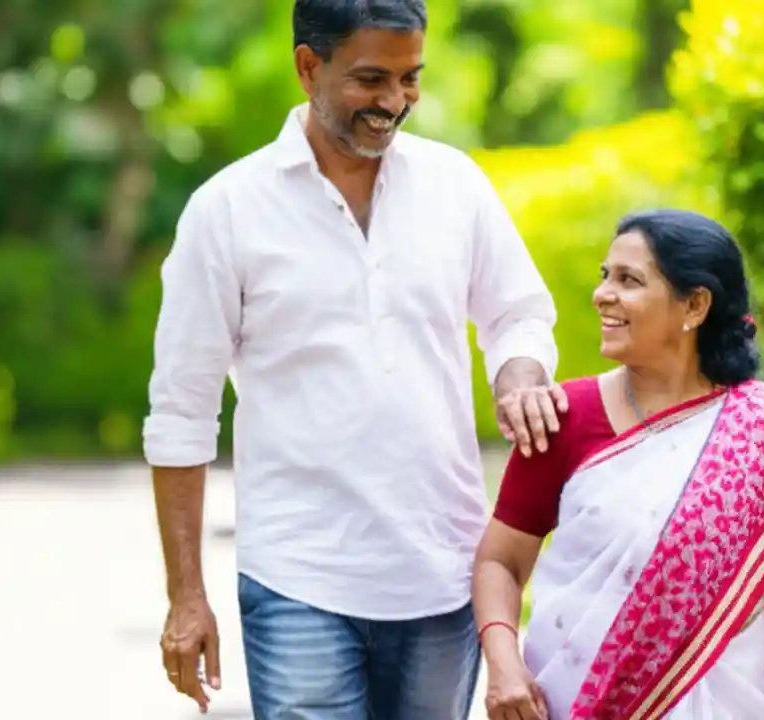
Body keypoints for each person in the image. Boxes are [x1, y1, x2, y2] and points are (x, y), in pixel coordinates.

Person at [143, 1, 567, 717]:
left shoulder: (453, 186)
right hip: (297, 576)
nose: (396, 102)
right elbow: (182, 410)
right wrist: (186, 596)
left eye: (410, 78)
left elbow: (519, 313)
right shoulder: (228, 210)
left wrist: (519, 369)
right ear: (309, 66)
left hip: (442, 569)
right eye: (372, 79)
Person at [472, 209, 764, 720]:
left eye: (629, 280)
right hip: (572, 700)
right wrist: (504, 663)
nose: (603, 294)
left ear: (694, 305)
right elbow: (501, 561)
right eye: (606, 276)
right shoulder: (564, 418)